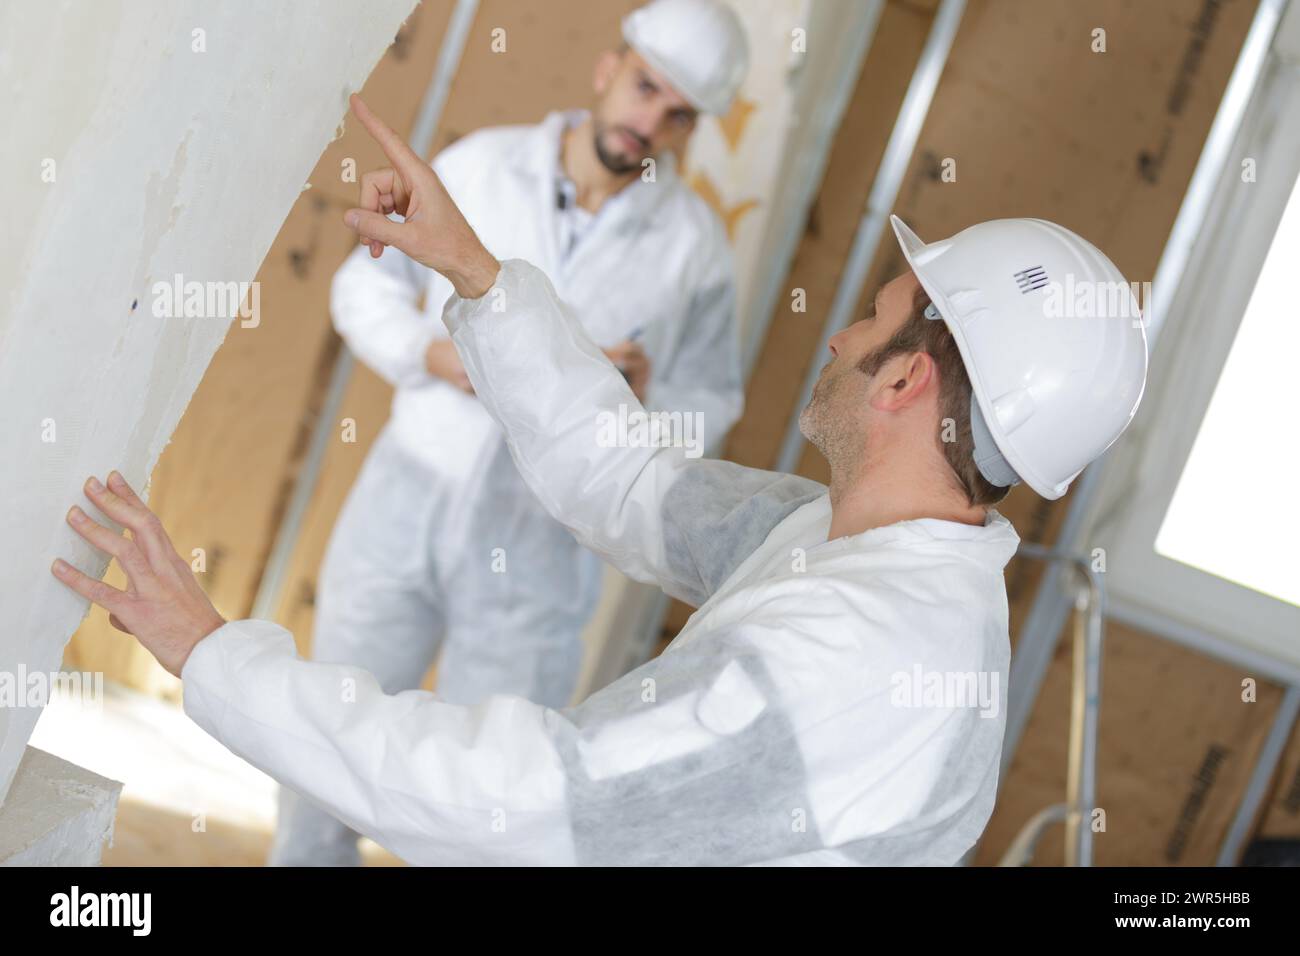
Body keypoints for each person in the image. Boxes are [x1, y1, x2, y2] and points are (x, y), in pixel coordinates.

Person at [51, 95, 1147, 866]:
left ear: (906, 377)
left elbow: (521, 802)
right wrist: (482, 280)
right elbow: (628, 477)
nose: (835, 337)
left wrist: (211, 652)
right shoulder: (842, 538)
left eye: (869, 314)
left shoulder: (858, 652)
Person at [274, 0, 749, 864]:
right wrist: (436, 356)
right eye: (645, 89)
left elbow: (711, 404)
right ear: (609, 68)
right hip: (409, 494)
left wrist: (644, 397)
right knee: (328, 745)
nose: (650, 122)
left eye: (678, 113)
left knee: (487, 803)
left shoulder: (696, 251)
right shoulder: (480, 167)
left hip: (541, 546)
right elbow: (362, 289)